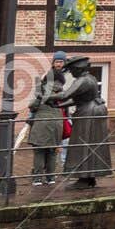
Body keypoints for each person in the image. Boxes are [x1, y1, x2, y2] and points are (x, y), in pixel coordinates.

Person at [57, 55, 112, 189]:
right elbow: (79, 99)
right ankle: (89, 176)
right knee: (91, 144)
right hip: (93, 110)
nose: (71, 73)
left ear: (77, 69)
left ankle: (83, 178)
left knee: (82, 144)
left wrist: (46, 96)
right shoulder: (91, 78)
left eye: (71, 70)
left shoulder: (82, 81)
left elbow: (65, 95)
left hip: (88, 113)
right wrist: (59, 105)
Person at [26, 52, 68, 186]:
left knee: (39, 151)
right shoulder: (62, 90)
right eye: (57, 61)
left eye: (61, 61)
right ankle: (51, 178)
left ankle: (37, 178)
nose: (59, 64)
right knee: (52, 151)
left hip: (42, 122)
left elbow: (33, 106)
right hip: (57, 122)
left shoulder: (43, 88)